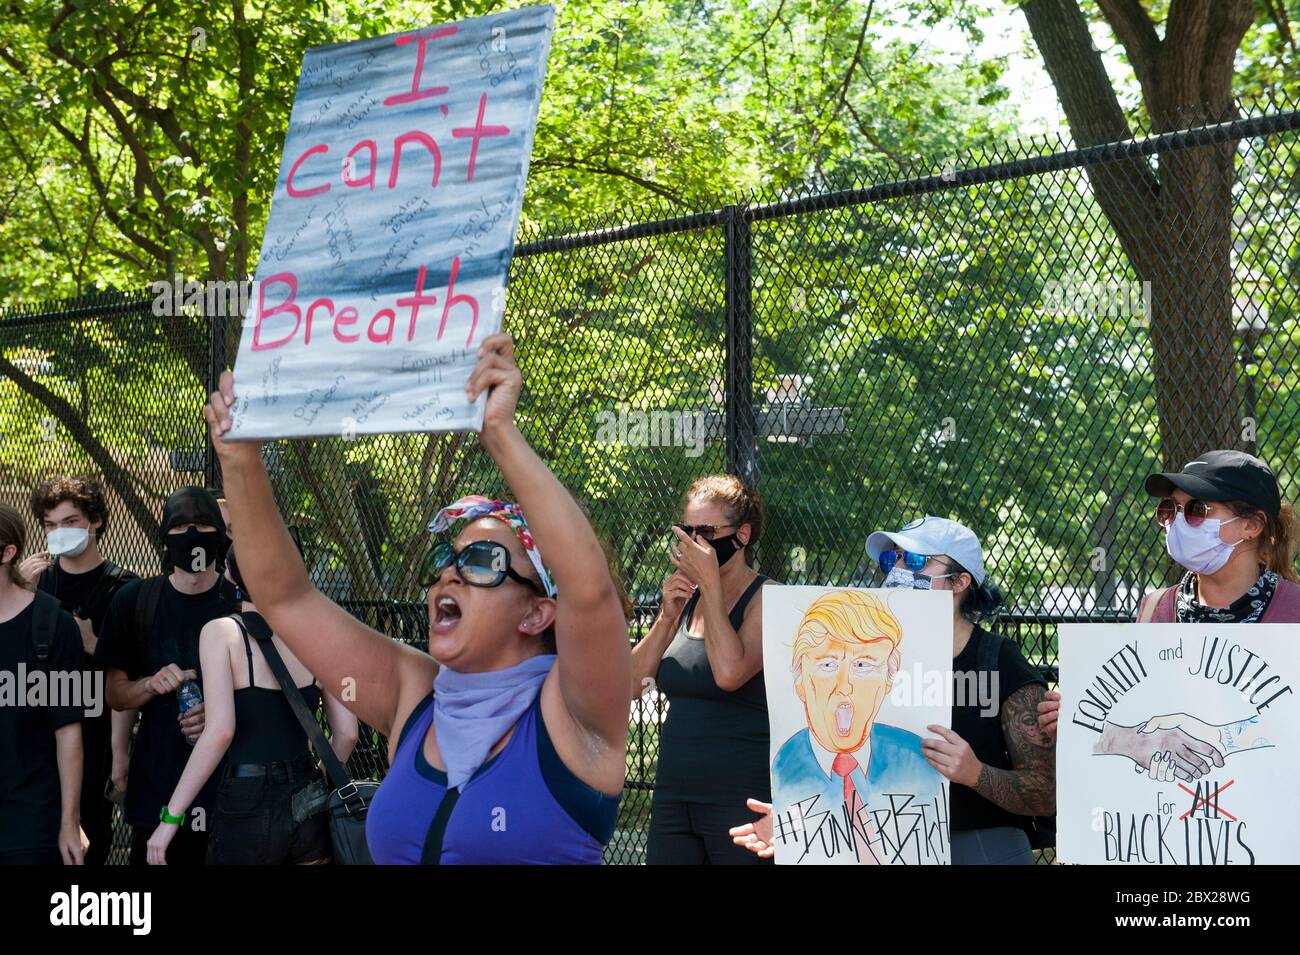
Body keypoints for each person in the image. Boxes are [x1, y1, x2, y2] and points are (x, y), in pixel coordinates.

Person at [204, 333, 631, 864]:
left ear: (538, 611)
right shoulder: (415, 693)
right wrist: (239, 457)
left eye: (481, 562)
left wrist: (499, 432)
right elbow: (285, 598)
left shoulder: (575, 712)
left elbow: (589, 592)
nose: (448, 574)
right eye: (446, 559)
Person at [732, 517, 1054, 864]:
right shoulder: (867, 667)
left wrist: (976, 773)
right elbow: (847, 767)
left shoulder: (997, 659)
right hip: (893, 851)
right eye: (892, 559)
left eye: (916, 560)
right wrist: (798, 823)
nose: (898, 569)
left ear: (960, 581)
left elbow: (1045, 792)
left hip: (983, 847)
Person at [1039, 450, 1300, 740]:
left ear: (1251, 525)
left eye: (1197, 509)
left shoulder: (1294, 611)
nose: (1177, 522)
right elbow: (1140, 712)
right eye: (1170, 508)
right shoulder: (1154, 609)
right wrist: (1081, 716)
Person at [146, 529, 358, 865]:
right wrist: (313, 782)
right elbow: (347, 733)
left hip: (247, 801)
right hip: (307, 795)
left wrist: (170, 818)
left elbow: (220, 732)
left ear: (230, 575)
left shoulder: (221, 633)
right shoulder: (322, 634)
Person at [631, 475, 774, 865]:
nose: (696, 543)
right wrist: (666, 616)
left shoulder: (768, 597)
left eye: (707, 532)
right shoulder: (687, 601)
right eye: (688, 532)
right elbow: (630, 686)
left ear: (742, 535)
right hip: (674, 798)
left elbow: (729, 673)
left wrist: (710, 586)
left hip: (741, 804)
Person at [94, 487, 238, 865]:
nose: (193, 535)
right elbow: (115, 694)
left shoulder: (240, 603)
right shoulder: (135, 601)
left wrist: (222, 712)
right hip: (157, 783)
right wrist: (148, 685)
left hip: (231, 792)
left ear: (221, 537)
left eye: (204, 524)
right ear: (164, 537)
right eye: (181, 526)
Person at [22, 476, 139, 864]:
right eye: (50, 525)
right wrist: (18, 594)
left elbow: (132, 675)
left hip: (93, 740)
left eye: (70, 522)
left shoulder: (125, 589)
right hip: (33, 740)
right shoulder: (35, 583)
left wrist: (92, 642)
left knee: (88, 846)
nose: (59, 533)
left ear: (96, 521)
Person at [0, 503, 87, 864]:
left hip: (30, 822)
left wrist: (70, 821)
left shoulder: (54, 624)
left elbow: (69, 731)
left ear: (7, 552)